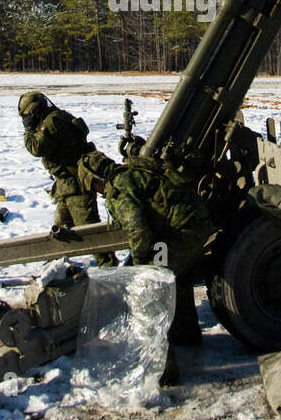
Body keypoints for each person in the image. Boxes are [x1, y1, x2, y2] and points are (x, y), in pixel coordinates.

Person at [77, 149, 213, 347]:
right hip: (192, 221)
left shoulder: (119, 191)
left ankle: (162, 366)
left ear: (96, 179)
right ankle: (186, 337)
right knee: (179, 278)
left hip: (184, 230)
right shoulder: (131, 172)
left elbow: (138, 231)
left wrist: (141, 266)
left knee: (150, 289)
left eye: (92, 185)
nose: (95, 191)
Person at [18, 91, 116, 266]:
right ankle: (55, 263)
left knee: (90, 233)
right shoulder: (58, 116)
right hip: (66, 186)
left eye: (27, 115)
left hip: (77, 185)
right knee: (60, 229)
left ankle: (108, 266)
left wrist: (28, 130)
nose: (27, 118)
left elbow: (36, 148)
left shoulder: (52, 122)